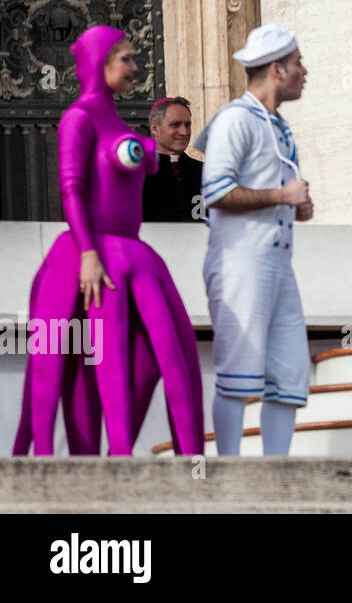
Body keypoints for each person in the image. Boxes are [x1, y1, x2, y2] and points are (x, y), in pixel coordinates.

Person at [13, 26, 203, 456]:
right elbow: (70, 189)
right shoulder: (78, 119)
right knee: (80, 365)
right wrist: (87, 253)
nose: (135, 67)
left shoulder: (118, 123)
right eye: (126, 59)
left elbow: (147, 160)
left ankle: (131, 457)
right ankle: (73, 463)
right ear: (101, 63)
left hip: (132, 256)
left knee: (165, 356)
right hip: (91, 257)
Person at [193, 23, 313, 455]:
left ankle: (273, 479)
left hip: (278, 264)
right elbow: (216, 192)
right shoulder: (234, 120)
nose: (304, 71)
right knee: (238, 372)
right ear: (277, 69)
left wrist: (295, 206)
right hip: (240, 261)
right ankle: (227, 474)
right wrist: (282, 195)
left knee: (289, 374)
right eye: (298, 62)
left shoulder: (279, 127)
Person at [142, 96, 204, 222]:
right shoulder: (139, 174)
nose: (184, 132)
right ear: (155, 128)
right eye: (175, 125)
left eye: (187, 125)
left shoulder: (206, 171)